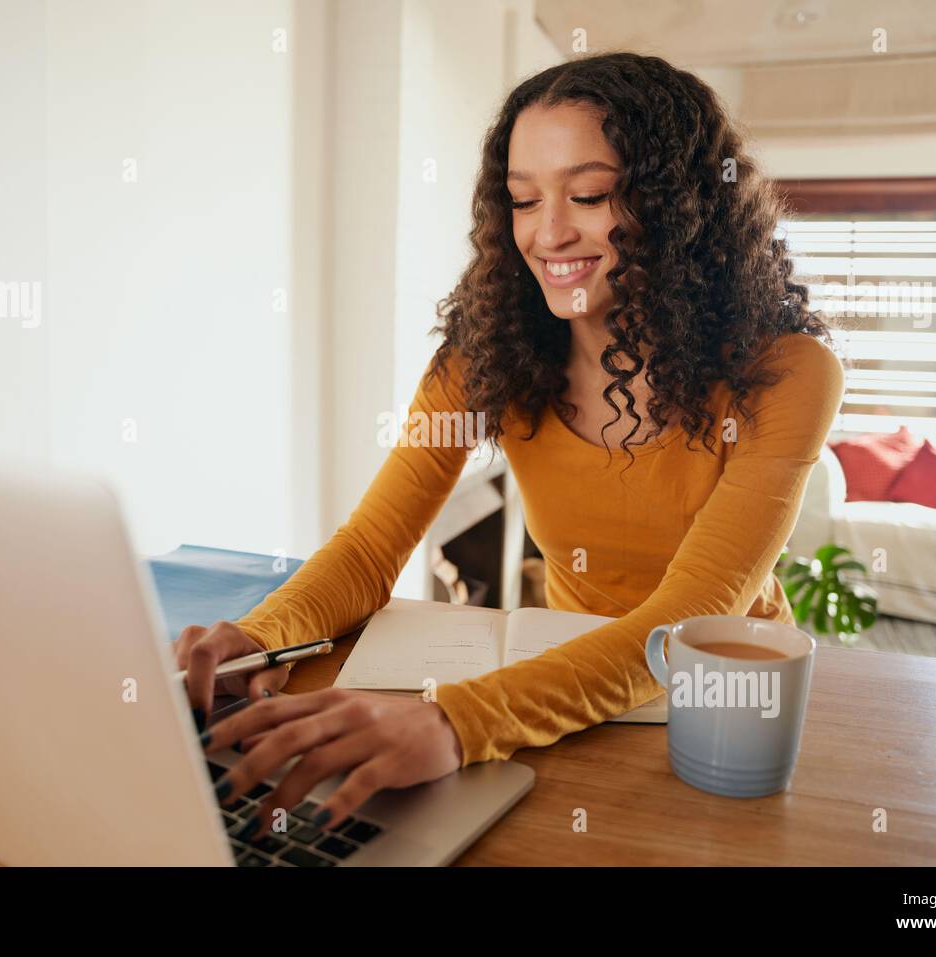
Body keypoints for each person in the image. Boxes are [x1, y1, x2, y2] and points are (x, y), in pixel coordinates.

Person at [177, 51, 844, 840]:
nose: (549, 232)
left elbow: (685, 620)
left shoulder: (788, 372)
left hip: (715, 696)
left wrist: (453, 723)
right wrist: (260, 637)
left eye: (589, 194)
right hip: (559, 695)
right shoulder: (484, 352)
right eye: (524, 200)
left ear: (679, 205)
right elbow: (370, 547)